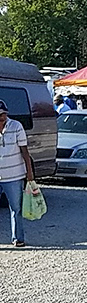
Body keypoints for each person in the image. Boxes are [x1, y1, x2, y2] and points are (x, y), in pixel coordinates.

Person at [0, 98, 33, 248]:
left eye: (4, 114)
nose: (2, 117)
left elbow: (25, 152)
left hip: (14, 176)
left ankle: (18, 238)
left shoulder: (16, 126)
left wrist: (29, 173)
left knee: (16, 208)